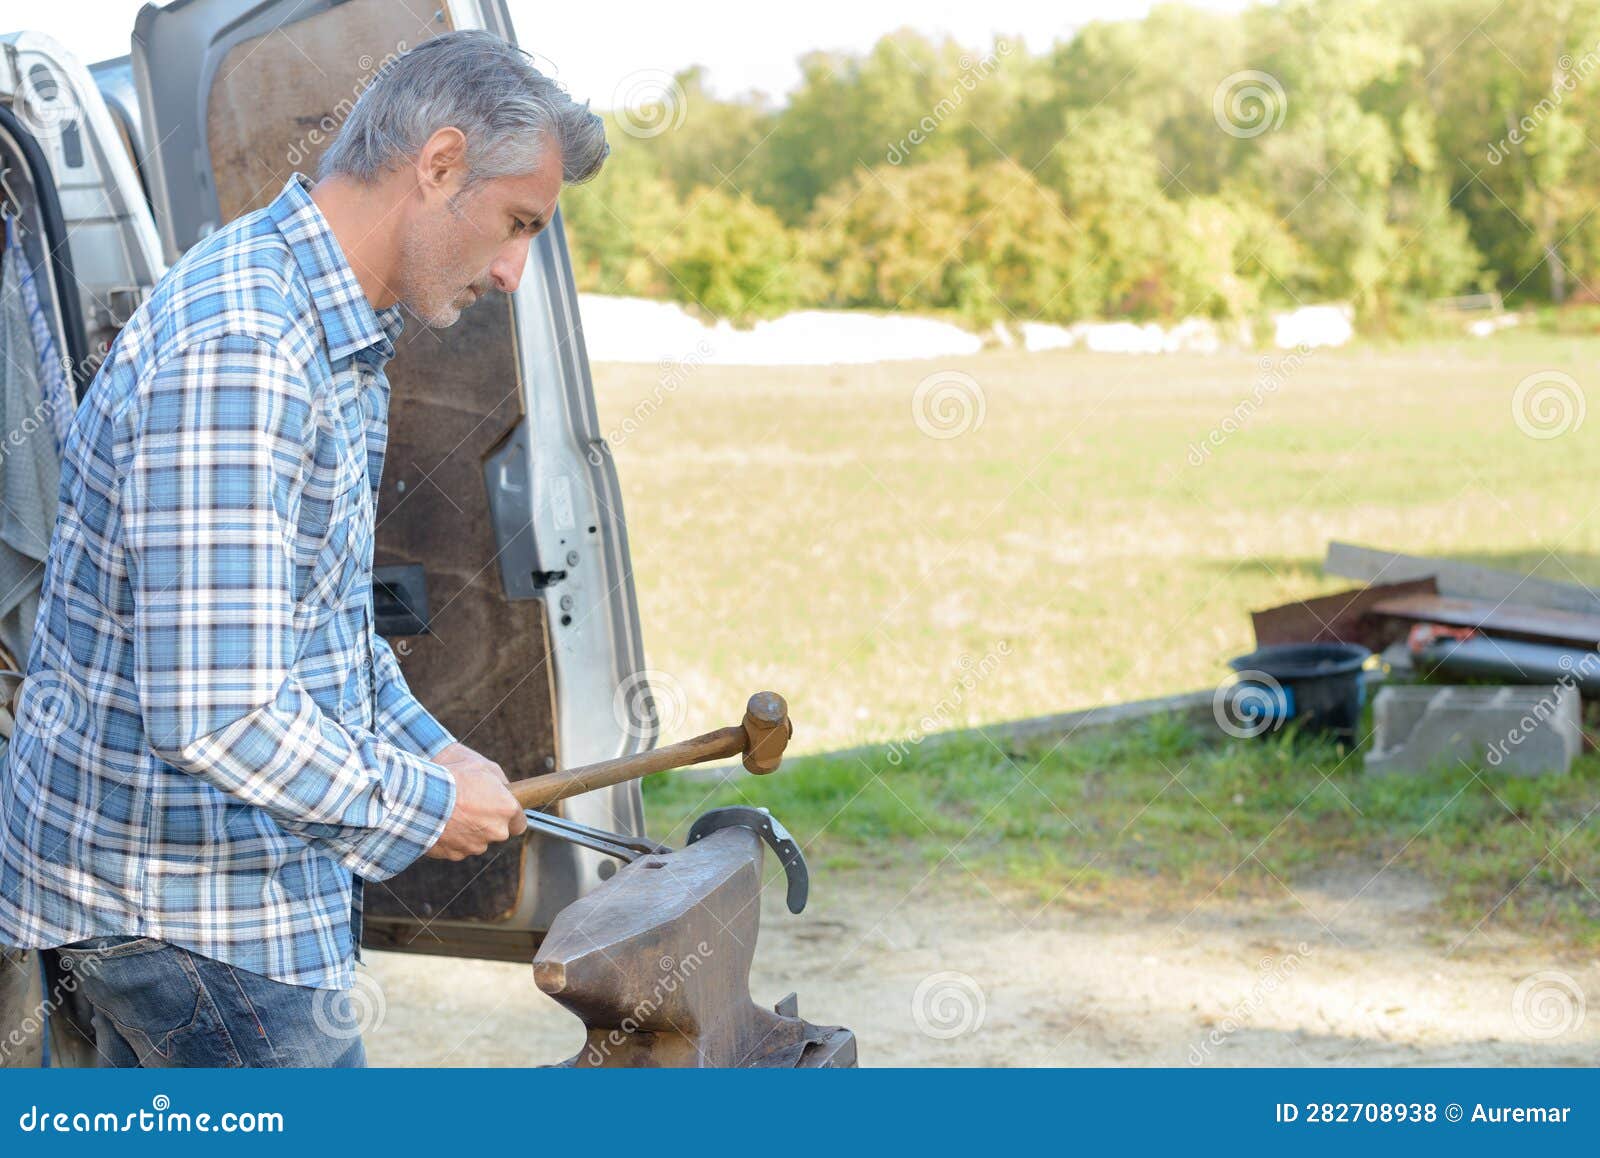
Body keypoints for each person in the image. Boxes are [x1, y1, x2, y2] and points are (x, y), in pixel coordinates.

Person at [0, 29, 609, 1067]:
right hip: (179, 910)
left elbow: (316, 620)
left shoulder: (324, 325)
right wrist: (418, 806)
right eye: (516, 225)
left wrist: (434, 748)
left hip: (205, 885)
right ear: (441, 163)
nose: (514, 271)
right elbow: (217, 710)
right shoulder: (246, 349)